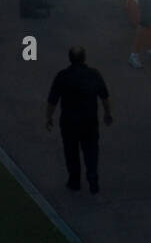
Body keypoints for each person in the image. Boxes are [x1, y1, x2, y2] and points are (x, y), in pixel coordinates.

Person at [45, 46, 112, 195]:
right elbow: (104, 97)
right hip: (89, 121)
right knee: (91, 150)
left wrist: (48, 117)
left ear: (69, 58)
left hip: (69, 123)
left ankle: (74, 181)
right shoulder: (94, 75)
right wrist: (107, 114)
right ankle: (92, 176)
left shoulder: (63, 76)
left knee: (71, 152)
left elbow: (52, 100)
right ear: (84, 58)